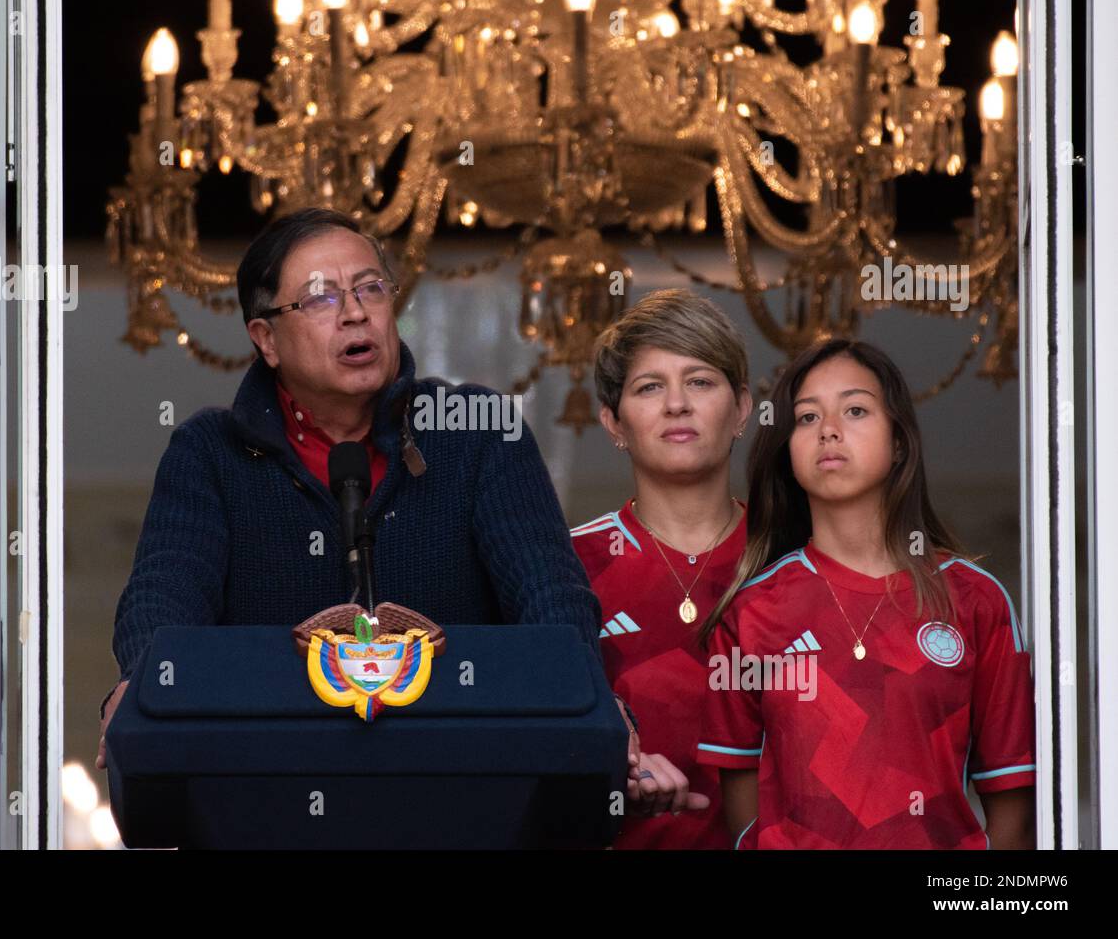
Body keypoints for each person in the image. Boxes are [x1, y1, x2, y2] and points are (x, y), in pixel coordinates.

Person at [97, 207, 641, 791]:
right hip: (265, 794)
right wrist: (144, 680)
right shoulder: (210, 453)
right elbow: (165, 591)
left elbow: (548, 594)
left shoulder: (478, 431)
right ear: (266, 339)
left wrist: (588, 691)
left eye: (371, 288)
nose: (356, 312)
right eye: (321, 298)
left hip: (460, 792)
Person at [696, 339, 1036, 849]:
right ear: (789, 449)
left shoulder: (975, 600)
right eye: (807, 418)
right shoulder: (751, 611)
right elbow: (742, 804)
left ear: (899, 441)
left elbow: (1013, 802)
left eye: (856, 410)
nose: (829, 430)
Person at [570, 289, 750, 845]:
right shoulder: (564, 567)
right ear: (613, 422)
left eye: (699, 381)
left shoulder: (798, 556)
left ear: (742, 408)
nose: (677, 404)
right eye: (650, 387)